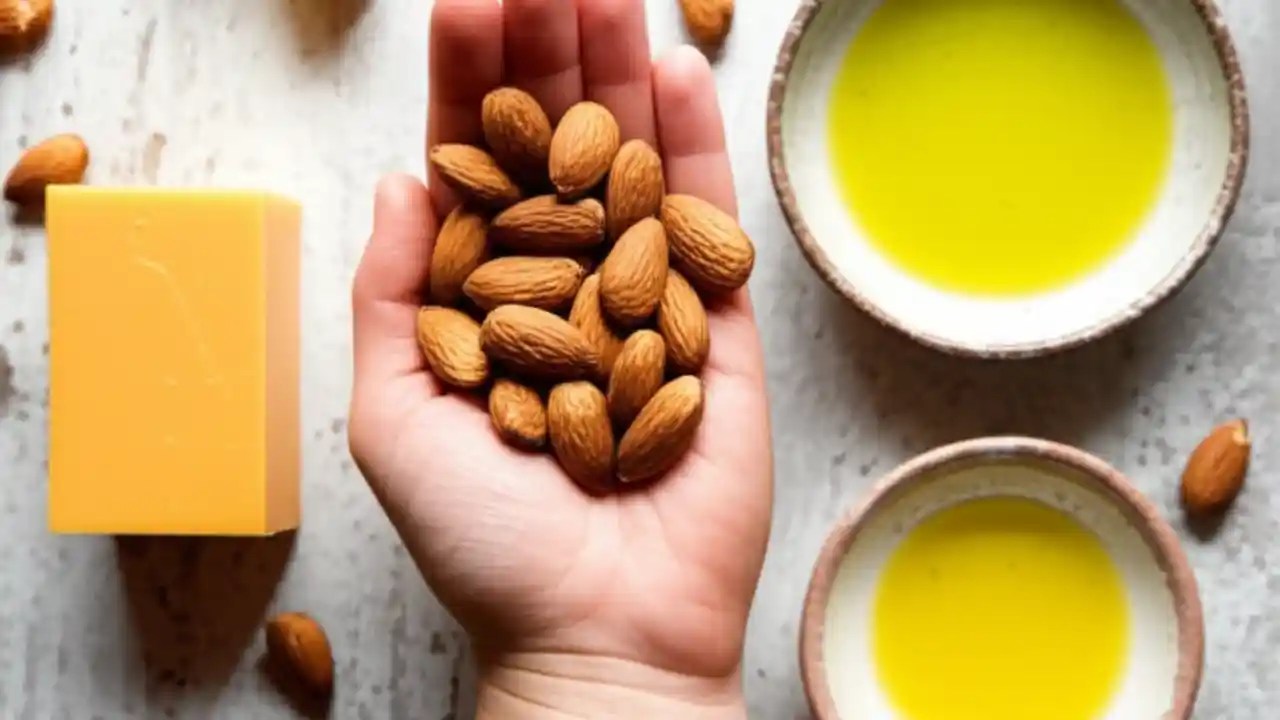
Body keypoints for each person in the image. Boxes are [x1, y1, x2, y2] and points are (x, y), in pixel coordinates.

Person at [348, 1, 772, 716]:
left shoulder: (622, 295)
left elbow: (621, 319)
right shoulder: (547, 295)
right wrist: (608, 669)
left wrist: (597, 669)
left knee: (629, 333)